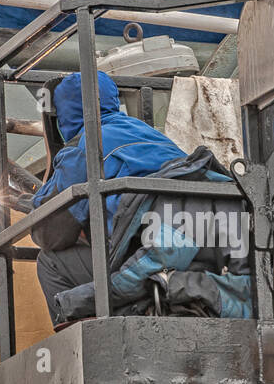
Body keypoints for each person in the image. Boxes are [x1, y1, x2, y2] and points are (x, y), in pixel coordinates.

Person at [30, 71, 188, 315]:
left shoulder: (85, 145)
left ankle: (82, 347)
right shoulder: (152, 135)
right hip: (191, 252)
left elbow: (52, 234)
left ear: (65, 114)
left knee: (50, 262)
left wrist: (39, 203)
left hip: (143, 259)